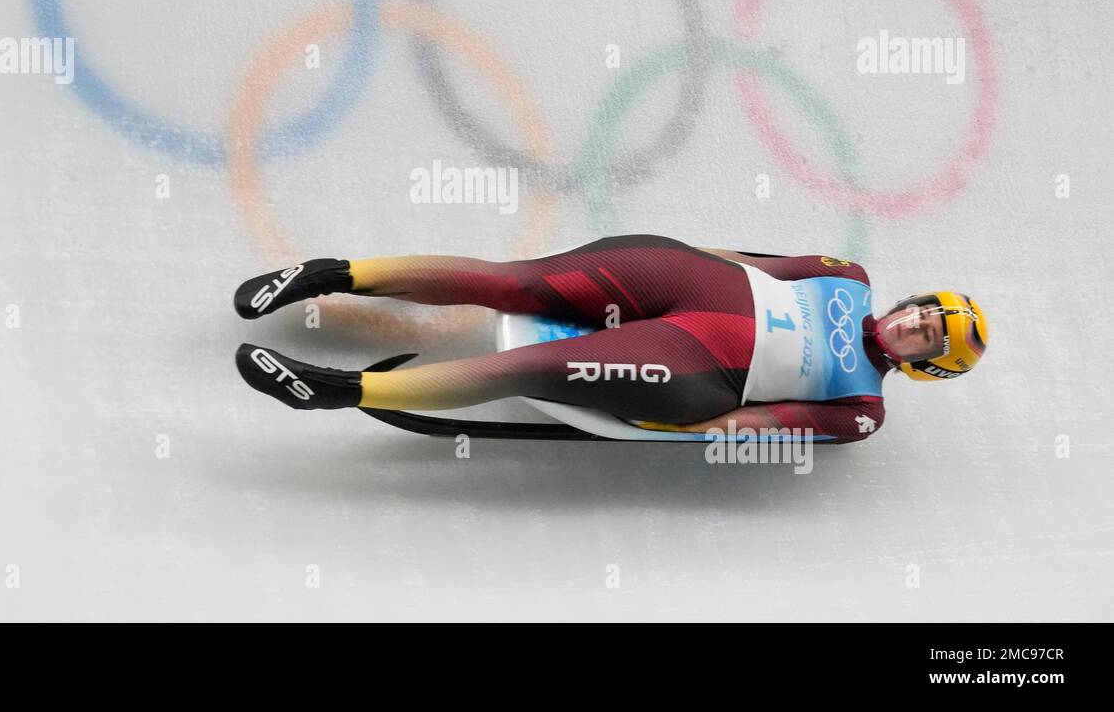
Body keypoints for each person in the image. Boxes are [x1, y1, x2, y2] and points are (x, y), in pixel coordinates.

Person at [232, 234, 989, 443]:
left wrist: (678, 428)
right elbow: (749, 259)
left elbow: (758, 429)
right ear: (913, 300)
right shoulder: (845, 272)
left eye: (930, 340)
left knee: (524, 366)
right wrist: (670, 256)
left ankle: (338, 390)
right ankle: (329, 273)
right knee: (513, 281)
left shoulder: (862, 407)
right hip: (690, 282)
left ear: (927, 367)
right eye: (927, 312)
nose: (918, 326)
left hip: (700, 366)